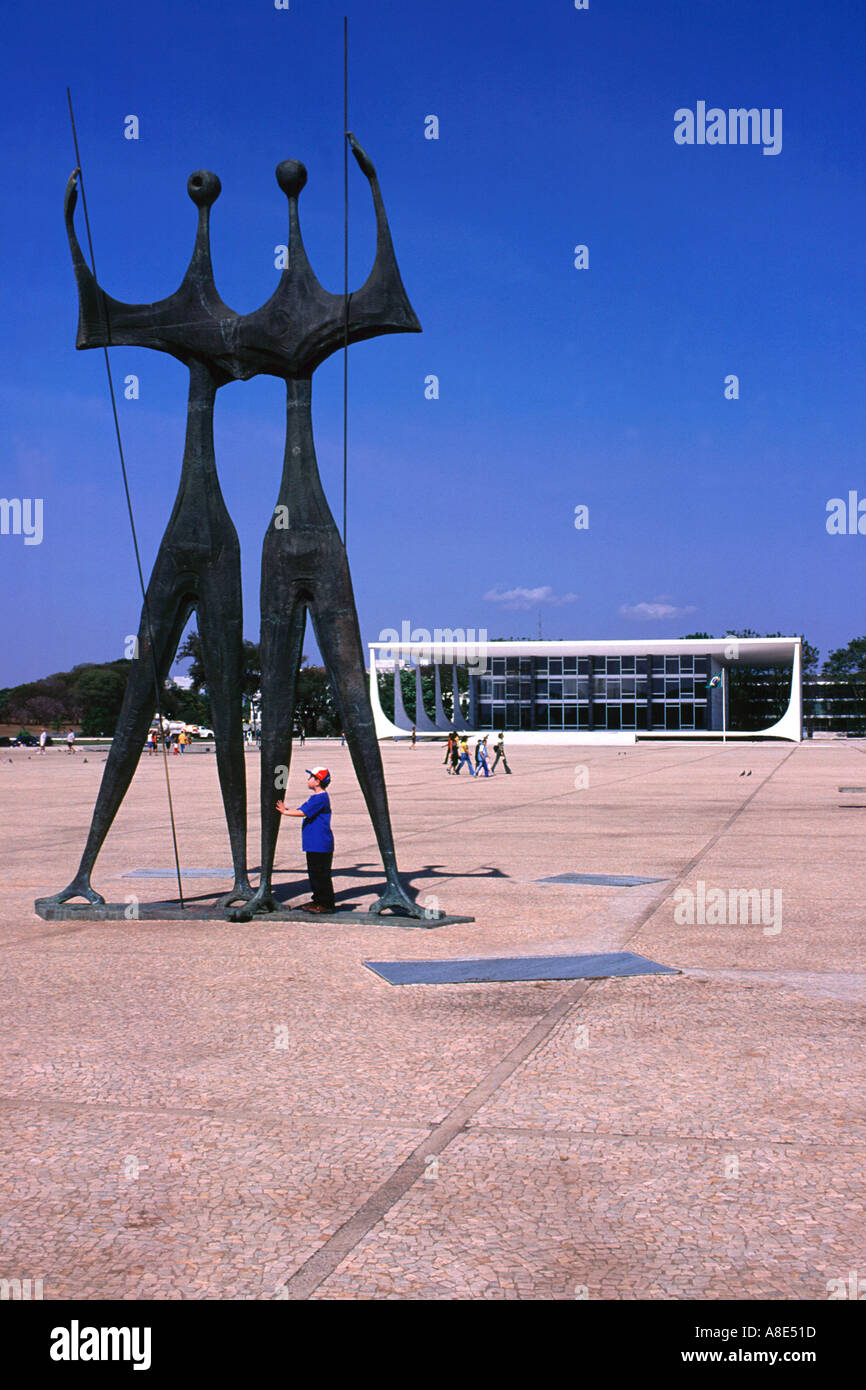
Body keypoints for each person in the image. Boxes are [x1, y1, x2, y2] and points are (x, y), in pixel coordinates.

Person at [276, 767, 335, 913]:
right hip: (314, 843)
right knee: (315, 874)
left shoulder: (320, 798)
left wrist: (284, 812)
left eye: (310, 778)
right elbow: (302, 809)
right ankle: (317, 900)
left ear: (317, 781)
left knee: (321, 874)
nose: (307, 780)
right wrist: (288, 809)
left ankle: (326, 904)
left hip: (320, 843)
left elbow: (303, 812)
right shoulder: (315, 798)